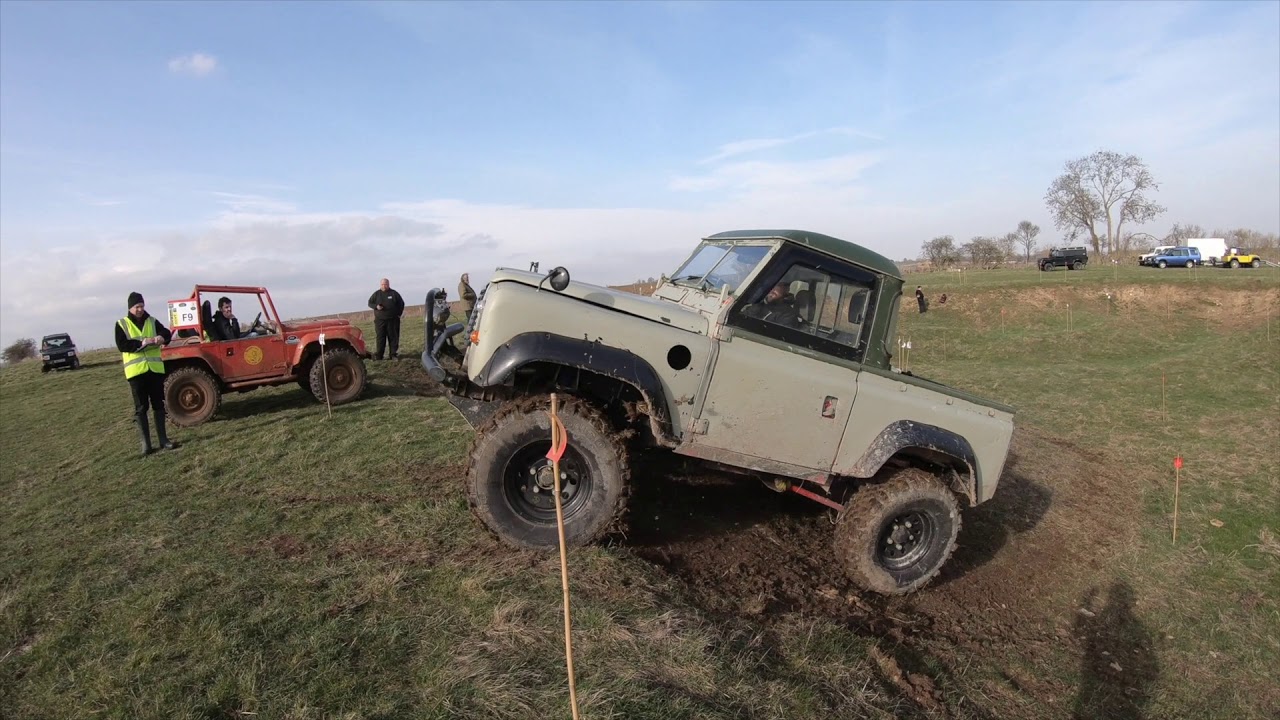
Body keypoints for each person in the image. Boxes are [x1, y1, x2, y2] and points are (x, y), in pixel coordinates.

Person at [114, 291, 177, 457]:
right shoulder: (121, 324)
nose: (140, 309)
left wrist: (161, 338)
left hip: (155, 370)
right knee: (141, 408)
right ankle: (146, 445)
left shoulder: (152, 321)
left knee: (158, 404)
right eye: (137, 307)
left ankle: (164, 440)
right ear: (130, 308)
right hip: (136, 373)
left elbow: (167, 333)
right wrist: (141, 343)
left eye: (142, 306)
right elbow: (122, 345)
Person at [367, 278, 405, 360]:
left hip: (393, 320)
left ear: (388, 284)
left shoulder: (394, 293)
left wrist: (399, 314)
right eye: (382, 284)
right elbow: (370, 303)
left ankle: (393, 354)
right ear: (380, 285)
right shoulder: (376, 294)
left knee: (393, 337)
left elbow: (401, 303)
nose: (384, 286)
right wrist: (376, 306)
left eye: (385, 284)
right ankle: (379, 355)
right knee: (380, 337)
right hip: (380, 321)